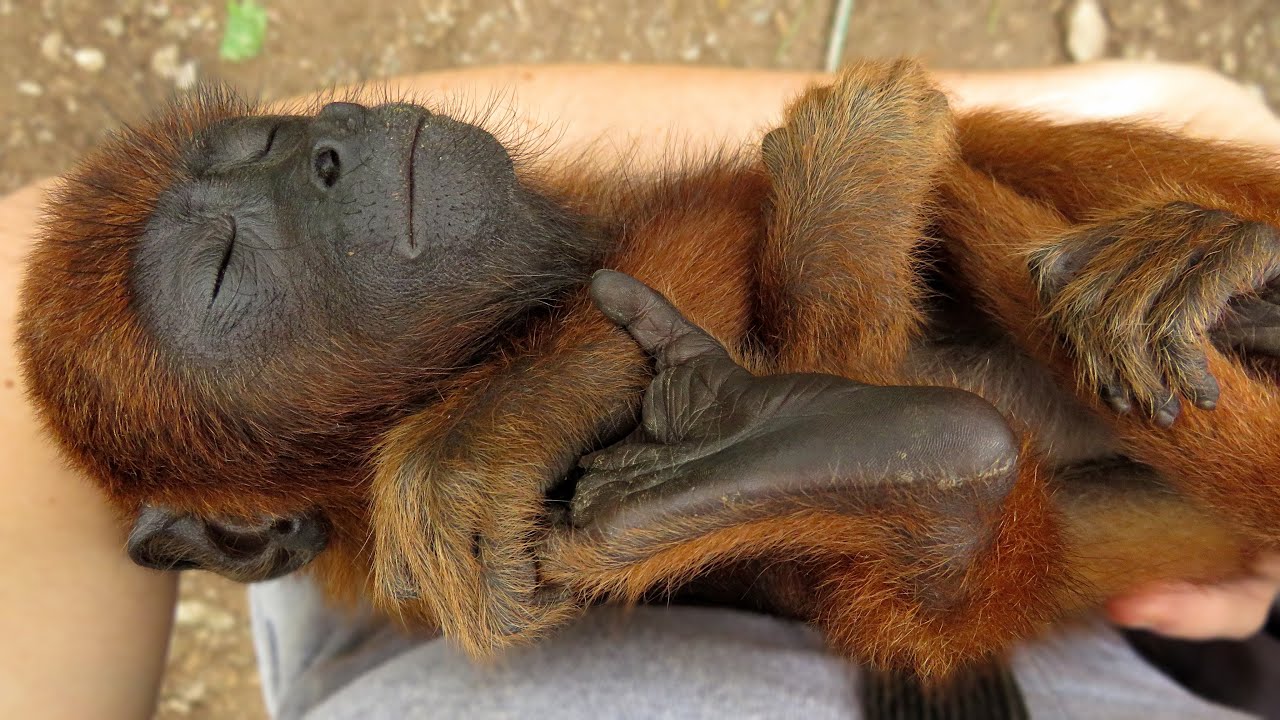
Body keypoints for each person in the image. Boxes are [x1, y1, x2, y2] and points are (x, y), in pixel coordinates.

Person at [2, 62, 1278, 720]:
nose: (323, 146)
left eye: (267, 142)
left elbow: (733, 219)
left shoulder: (494, 382)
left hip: (1082, 372)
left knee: (868, 165)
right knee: (857, 170)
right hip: (1071, 512)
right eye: (225, 269)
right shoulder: (397, 516)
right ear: (243, 530)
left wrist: (556, 389)